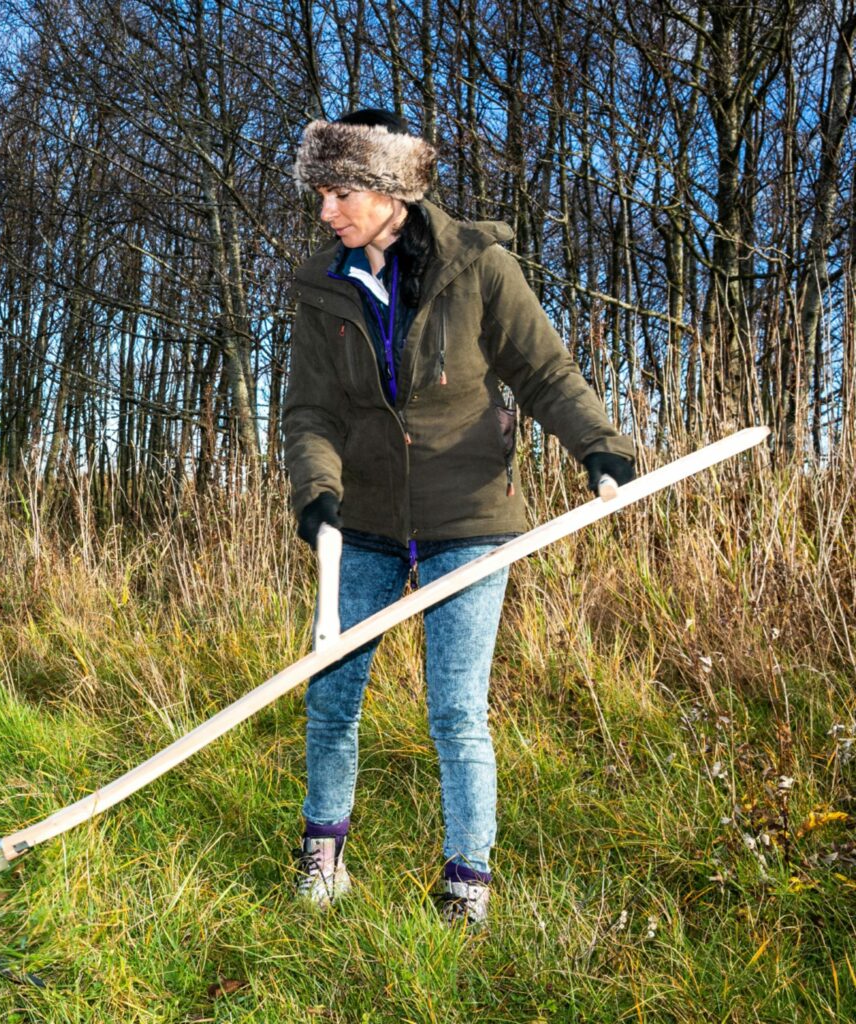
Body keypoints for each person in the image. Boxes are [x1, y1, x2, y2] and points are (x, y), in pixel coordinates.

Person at [281, 109, 636, 926]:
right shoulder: (320, 287)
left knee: (455, 708)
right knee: (331, 692)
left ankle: (466, 877)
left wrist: (599, 449)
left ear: (389, 187)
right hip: (362, 519)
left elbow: (544, 372)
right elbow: (309, 414)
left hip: (471, 517)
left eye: (339, 193)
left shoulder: (479, 266)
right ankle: (322, 853)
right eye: (322, 194)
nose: (326, 211)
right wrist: (319, 497)